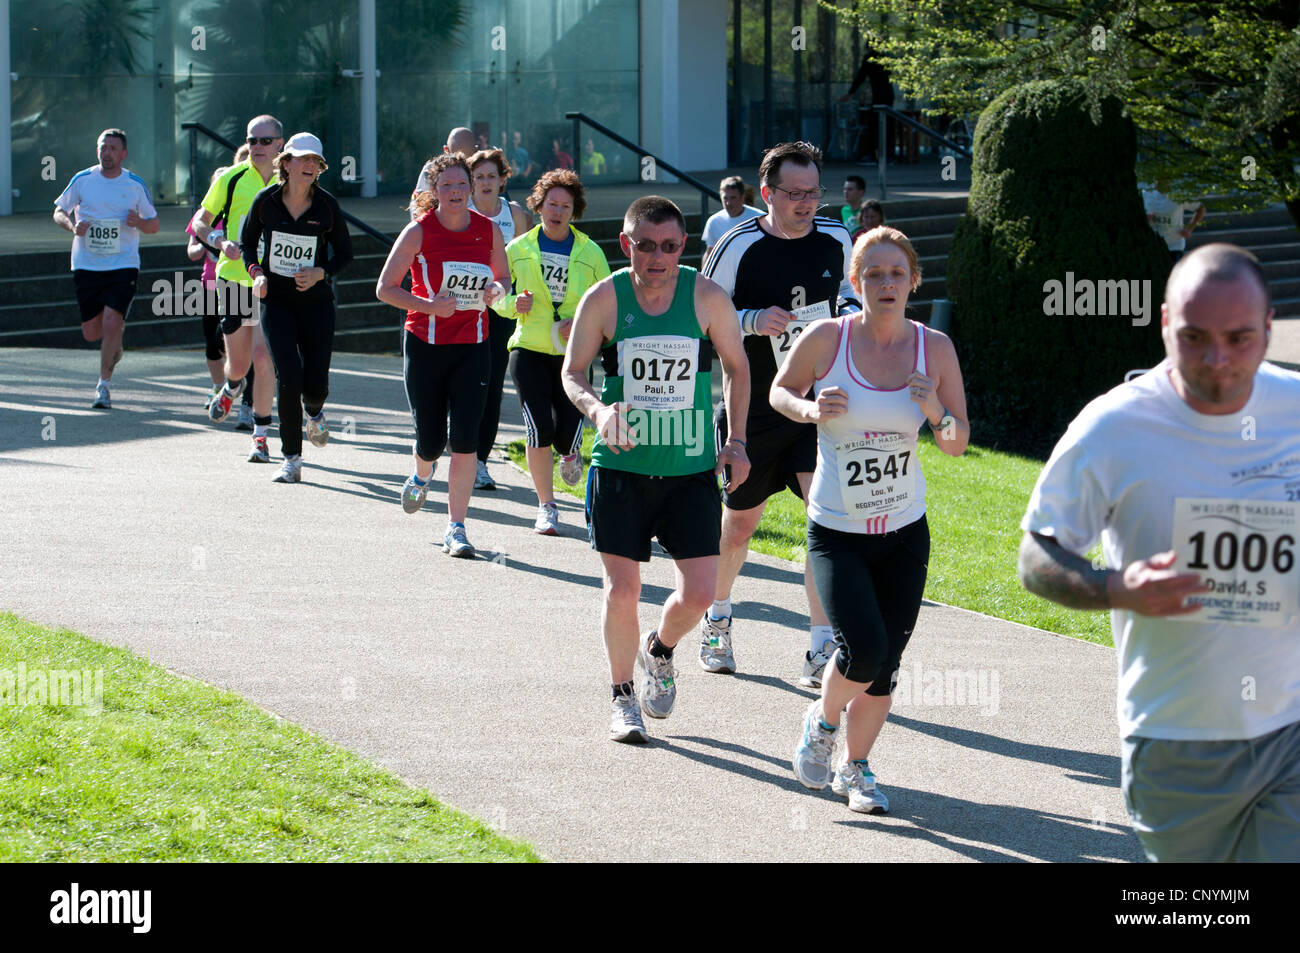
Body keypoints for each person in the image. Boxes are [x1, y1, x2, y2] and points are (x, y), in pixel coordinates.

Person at [1018, 243, 1299, 862]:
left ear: (1270, 328)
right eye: (1195, 336)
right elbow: (1037, 553)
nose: (1218, 360)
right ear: (1165, 321)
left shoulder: (1295, 409)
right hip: (1176, 738)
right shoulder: (1115, 427)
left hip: (1291, 729)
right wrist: (1117, 588)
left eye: (1240, 338)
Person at [775, 225, 968, 812]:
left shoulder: (933, 348)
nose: (886, 283)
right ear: (855, 283)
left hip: (905, 531)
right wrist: (809, 409)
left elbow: (958, 440)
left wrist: (934, 409)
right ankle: (823, 722)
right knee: (863, 648)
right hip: (836, 531)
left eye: (897, 273)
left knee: (887, 664)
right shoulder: (825, 338)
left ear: (914, 280)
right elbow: (780, 391)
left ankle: (855, 770)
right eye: (873, 274)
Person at [562, 196, 751, 743]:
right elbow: (573, 374)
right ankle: (622, 698)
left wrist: (735, 442)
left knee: (699, 593)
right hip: (620, 467)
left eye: (670, 246)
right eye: (645, 245)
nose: (658, 257)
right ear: (627, 244)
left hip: (690, 467)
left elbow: (738, 367)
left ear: (683, 248)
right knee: (623, 590)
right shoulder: (604, 298)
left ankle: (660, 650)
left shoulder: (707, 297)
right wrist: (597, 410)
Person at [701, 141, 860, 682]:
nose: (807, 203)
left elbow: (849, 291)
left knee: (824, 518)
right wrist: (749, 320)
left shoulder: (837, 235)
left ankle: (820, 645)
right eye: (795, 194)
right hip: (753, 404)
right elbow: (704, 311)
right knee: (741, 523)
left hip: (816, 403)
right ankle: (718, 615)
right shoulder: (735, 245)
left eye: (814, 192)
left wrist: (851, 313)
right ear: (766, 194)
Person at [375, 153, 510, 558]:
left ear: (470, 188)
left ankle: (457, 527)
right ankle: (420, 474)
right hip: (426, 346)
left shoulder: (488, 231)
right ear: (434, 192)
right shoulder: (419, 232)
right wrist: (430, 306)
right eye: (446, 186)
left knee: (465, 441)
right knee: (431, 441)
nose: (455, 192)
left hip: (473, 347)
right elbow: (385, 288)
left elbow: (502, 278)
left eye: (461, 184)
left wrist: (497, 293)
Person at [492, 169, 610, 534]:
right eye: (551, 204)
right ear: (539, 205)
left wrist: (580, 322)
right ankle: (547, 506)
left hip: (573, 353)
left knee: (567, 429)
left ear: (574, 211)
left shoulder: (590, 252)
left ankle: (571, 453)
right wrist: (514, 304)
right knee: (537, 428)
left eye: (565, 206)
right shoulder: (518, 249)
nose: (557, 211)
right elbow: (493, 297)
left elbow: (609, 300)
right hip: (528, 348)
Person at [240, 132, 353, 483]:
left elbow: (346, 253)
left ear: (319, 169)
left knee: (315, 383)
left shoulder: (327, 206)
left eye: (314, 162)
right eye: (301, 159)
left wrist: (322, 272)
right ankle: (291, 458)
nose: (308, 166)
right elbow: (246, 244)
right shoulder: (265, 201)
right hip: (276, 300)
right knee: (287, 376)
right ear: (285, 163)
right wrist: (256, 273)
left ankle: (315, 411)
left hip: (316, 303)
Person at [191, 115, 283, 464]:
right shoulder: (230, 179)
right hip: (233, 280)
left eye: (265, 141)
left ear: (279, 144)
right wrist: (218, 239)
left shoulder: (289, 181)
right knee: (239, 364)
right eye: (252, 140)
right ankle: (230, 387)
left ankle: (260, 436)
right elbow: (200, 221)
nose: (257, 147)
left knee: (264, 359)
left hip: (271, 283)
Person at [52, 127, 159, 409]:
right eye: (102, 147)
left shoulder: (134, 184)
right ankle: (114, 347)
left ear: (123, 154)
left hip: (123, 264)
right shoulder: (83, 180)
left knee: (113, 322)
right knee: (91, 333)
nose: (106, 153)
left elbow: (154, 225)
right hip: (86, 264)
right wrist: (73, 226)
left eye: (112, 148)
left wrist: (139, 222)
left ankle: (103, 386)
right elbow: (59, 211)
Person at [466, 148, 533, 491]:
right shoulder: (458, 211)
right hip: (462, 311)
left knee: (491, 386)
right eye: (479, 177)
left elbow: (528, 261)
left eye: (492, 176)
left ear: (503, 180)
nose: (486, 183)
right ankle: (450, 448)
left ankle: (479, 461)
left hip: (501, 312)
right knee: (459, 383)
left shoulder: (516, 215)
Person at [1142, 179, 1206, 263]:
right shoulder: (1146, 194)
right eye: (1159, 177)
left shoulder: (1179, 195)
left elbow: (1201, 208)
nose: (1162, 180)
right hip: (1152, 247)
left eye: (1165, 177)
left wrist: (1189, 229)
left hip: (1174, 246)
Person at [701, 175, 764, 256]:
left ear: (742, 197)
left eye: (733, 198)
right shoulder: (713, 221)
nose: (728, 203)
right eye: (725, 198)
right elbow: (709, 253)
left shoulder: (760, 218)